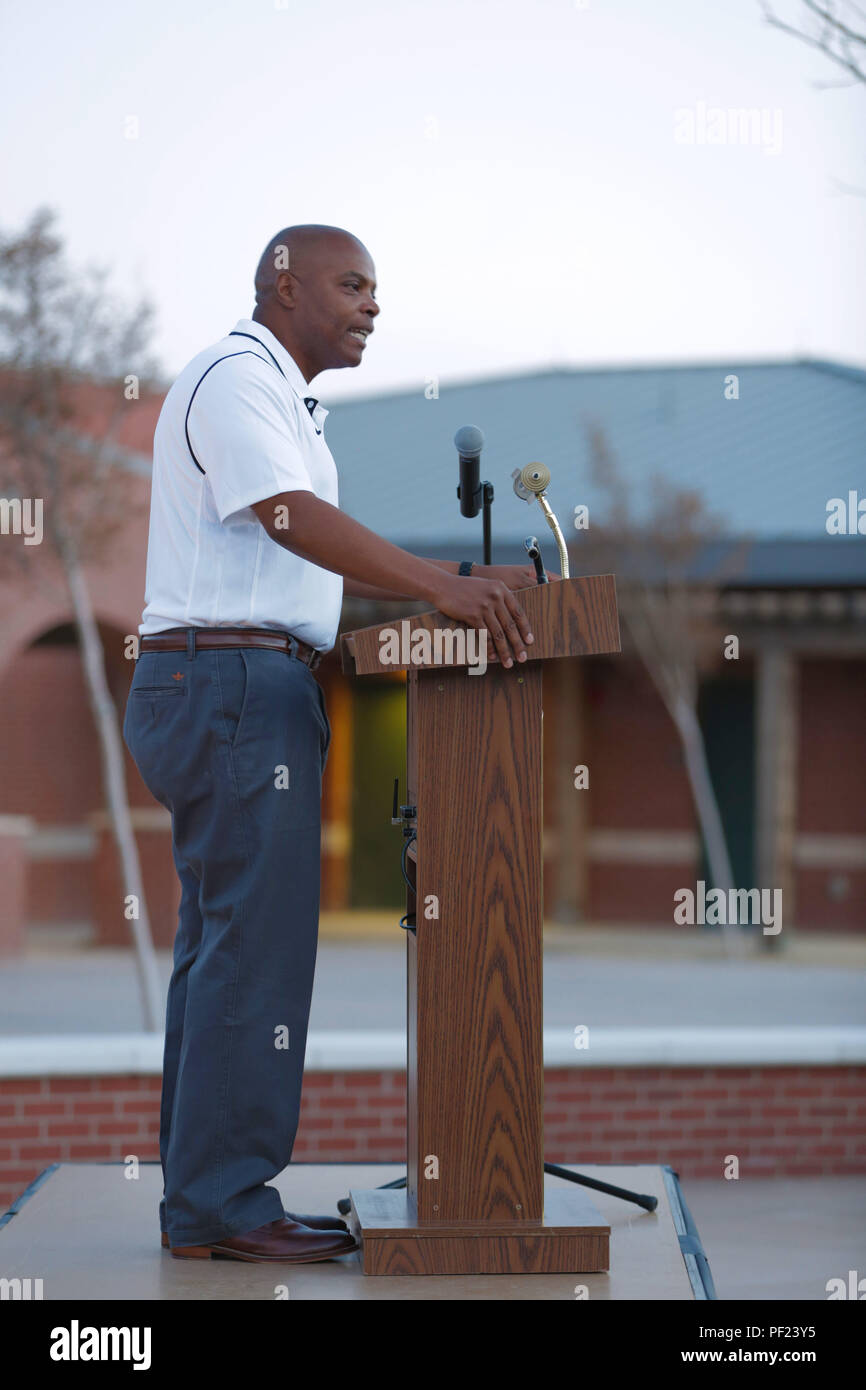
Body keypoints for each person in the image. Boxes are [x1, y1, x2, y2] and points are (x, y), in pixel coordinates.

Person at [123, 223, 540, 1263]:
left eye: (375, 290)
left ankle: (205, 1201)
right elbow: (284, 515)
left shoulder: (290, 403)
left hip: (240, 681)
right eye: (350, 284)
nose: (370, 306)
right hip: (226, 683)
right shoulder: (236, 377)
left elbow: (303, 537)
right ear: (283, 281)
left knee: (224, 952)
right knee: (250, 956)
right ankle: (223, 1204)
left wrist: (448, 582)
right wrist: (441, 585)